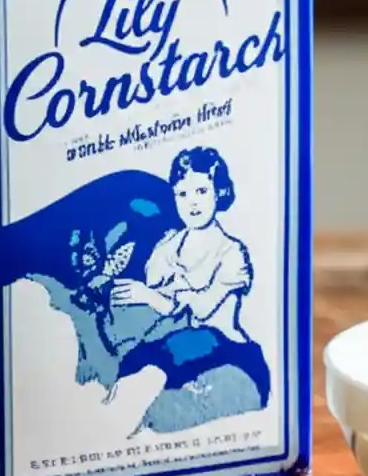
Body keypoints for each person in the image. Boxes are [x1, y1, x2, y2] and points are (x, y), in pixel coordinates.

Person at [108, 146, 269, 434]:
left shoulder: (232, 252)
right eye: (182, 194)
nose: (191, 202)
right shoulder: (167, 247)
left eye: (201, 191)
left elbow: (204, 312)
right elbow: (157, 300)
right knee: (131, 374)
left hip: (228, 354)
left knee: (160, 398)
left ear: (218, 193)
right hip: (177, 349)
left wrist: (152, 297)